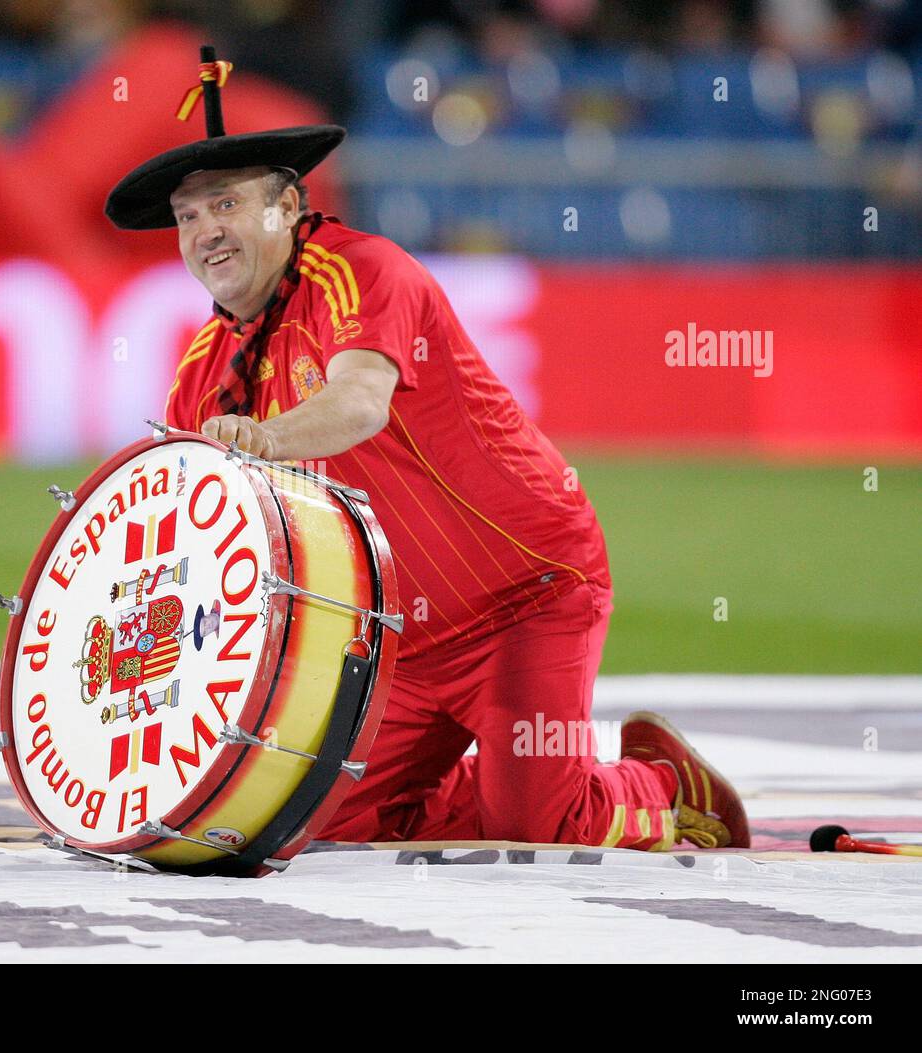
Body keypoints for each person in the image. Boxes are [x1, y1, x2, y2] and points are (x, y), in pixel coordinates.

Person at [104, 49, 750, 852]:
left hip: (526, 590)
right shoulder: (201, 373)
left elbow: (360, 401)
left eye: (226, 203)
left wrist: (263, 440)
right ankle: (500, 777)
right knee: (315, 814)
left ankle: (660, 783)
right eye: (187, 216)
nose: (205, 232)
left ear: (290, 204)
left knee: (539, 825)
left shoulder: (364, 270)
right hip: (398, 637)